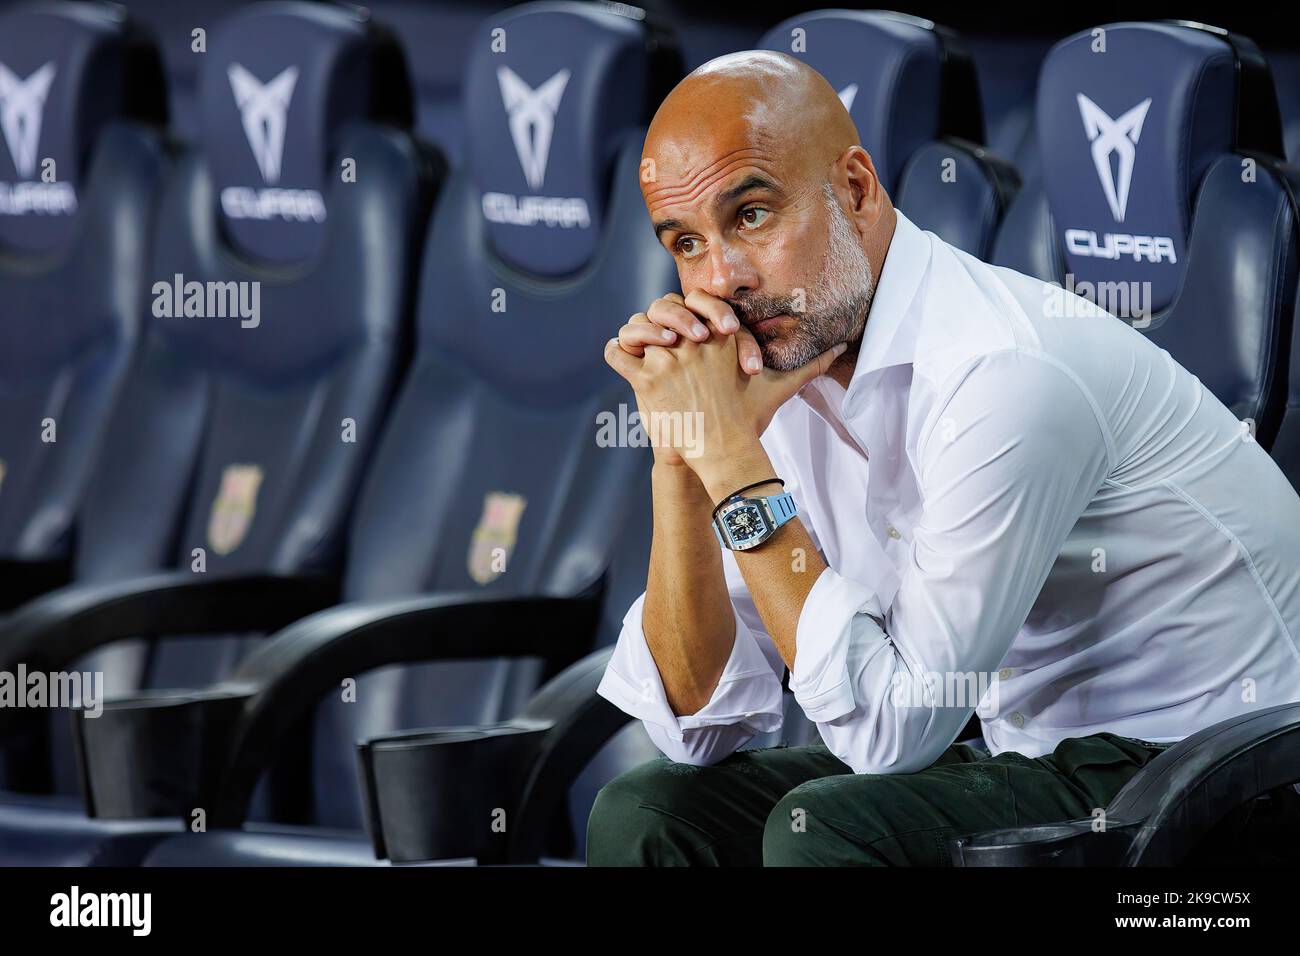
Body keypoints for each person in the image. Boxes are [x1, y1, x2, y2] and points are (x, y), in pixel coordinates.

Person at [590, 51, 1300, 866]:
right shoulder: (776, 371)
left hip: (1225, 782)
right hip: (1038, 759)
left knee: (828, 829)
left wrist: (730, 461)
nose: (722, 279)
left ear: (856, 190)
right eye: (687, 243)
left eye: (751, 215)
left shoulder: (1002, 369)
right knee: (649, 811)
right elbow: (696, 724)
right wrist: (683, 462)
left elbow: (894, 730)